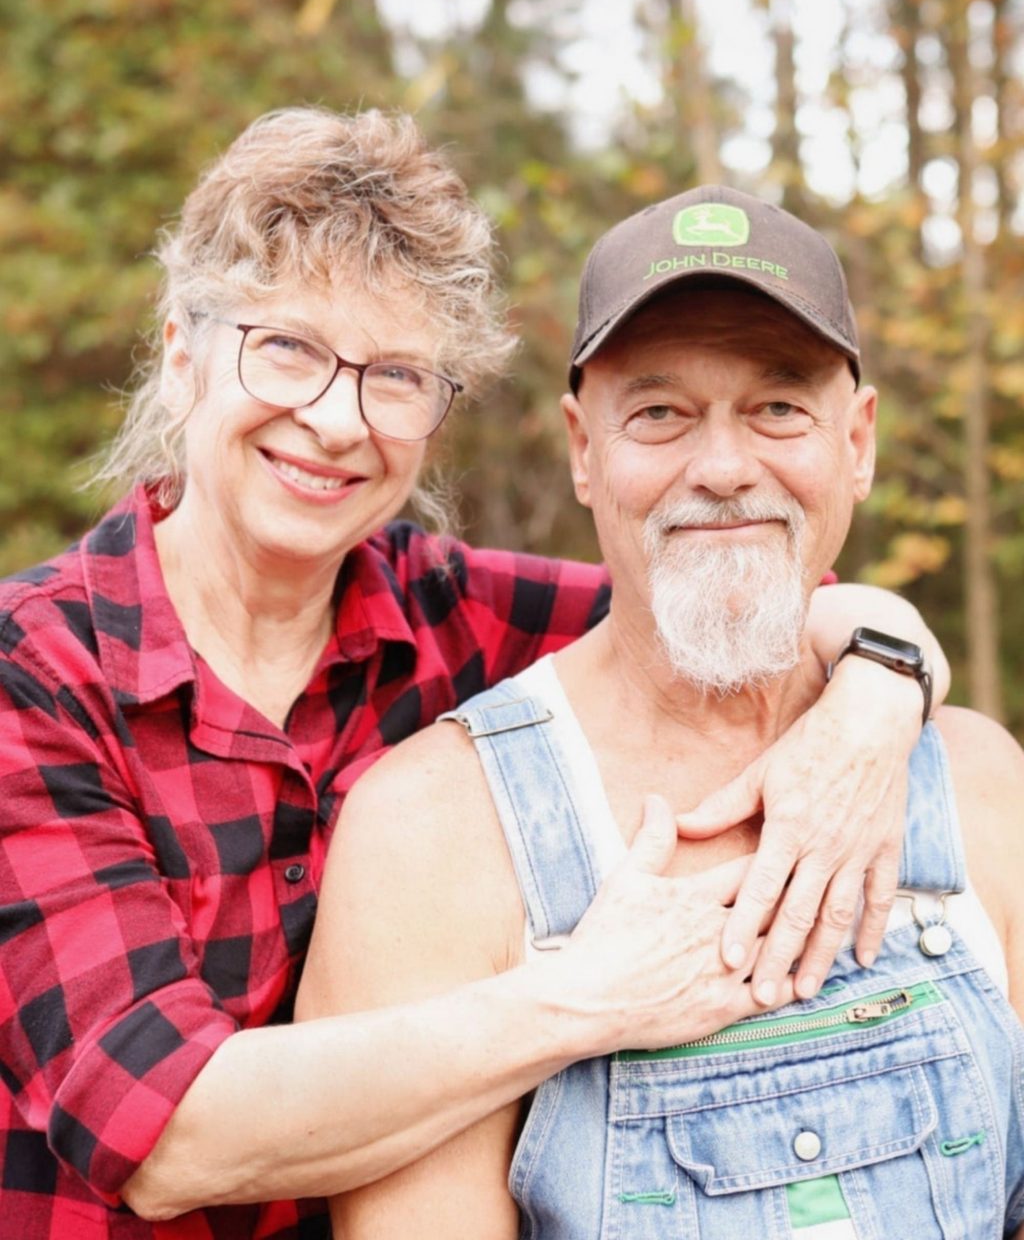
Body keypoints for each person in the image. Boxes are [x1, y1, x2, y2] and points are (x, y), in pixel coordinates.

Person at [0, 109, 949, 1240]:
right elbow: (160, 1134)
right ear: (181, 351)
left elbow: (741, 583)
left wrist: (883, 683)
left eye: (395, 375)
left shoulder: (454, 611)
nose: (334, 419)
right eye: (287, 348)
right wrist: (584, 1000)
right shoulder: (37, 672)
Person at [299, 185, 1024, 1239]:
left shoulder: (977, 782)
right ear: (583, 450)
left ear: (856, 442)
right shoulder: (434, 833)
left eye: (778, 407)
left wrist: (886, 678)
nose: (724, 468)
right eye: (659, 414)